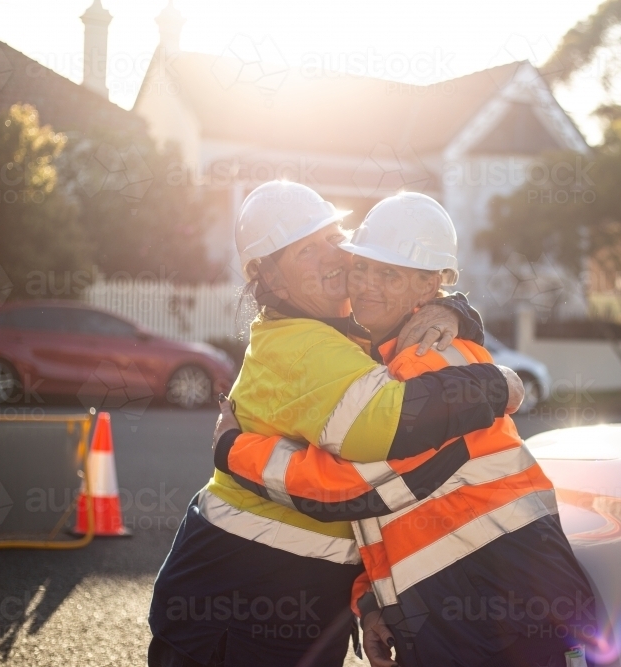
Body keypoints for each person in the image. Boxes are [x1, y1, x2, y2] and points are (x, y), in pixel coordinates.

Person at [148, 182, 525, 667]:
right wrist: (499, 385)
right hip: (237, 596)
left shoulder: (335, 325)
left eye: (334, 236)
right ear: (269, 276)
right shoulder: (301, 347)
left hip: (289, 591)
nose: (337, 255)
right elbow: (391, 426)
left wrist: (451, 309)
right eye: (309, 249)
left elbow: (403, 306)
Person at [214, 193, 596, 667]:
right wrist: (374, 603)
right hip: (449, 605)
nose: (368, 285)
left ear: (428, 287)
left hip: (514, 597)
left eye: (389, 273)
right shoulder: (382, 364)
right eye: (364, 267)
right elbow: (382, 522)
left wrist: (235, 450)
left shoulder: (434, 363)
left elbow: (355, 488)